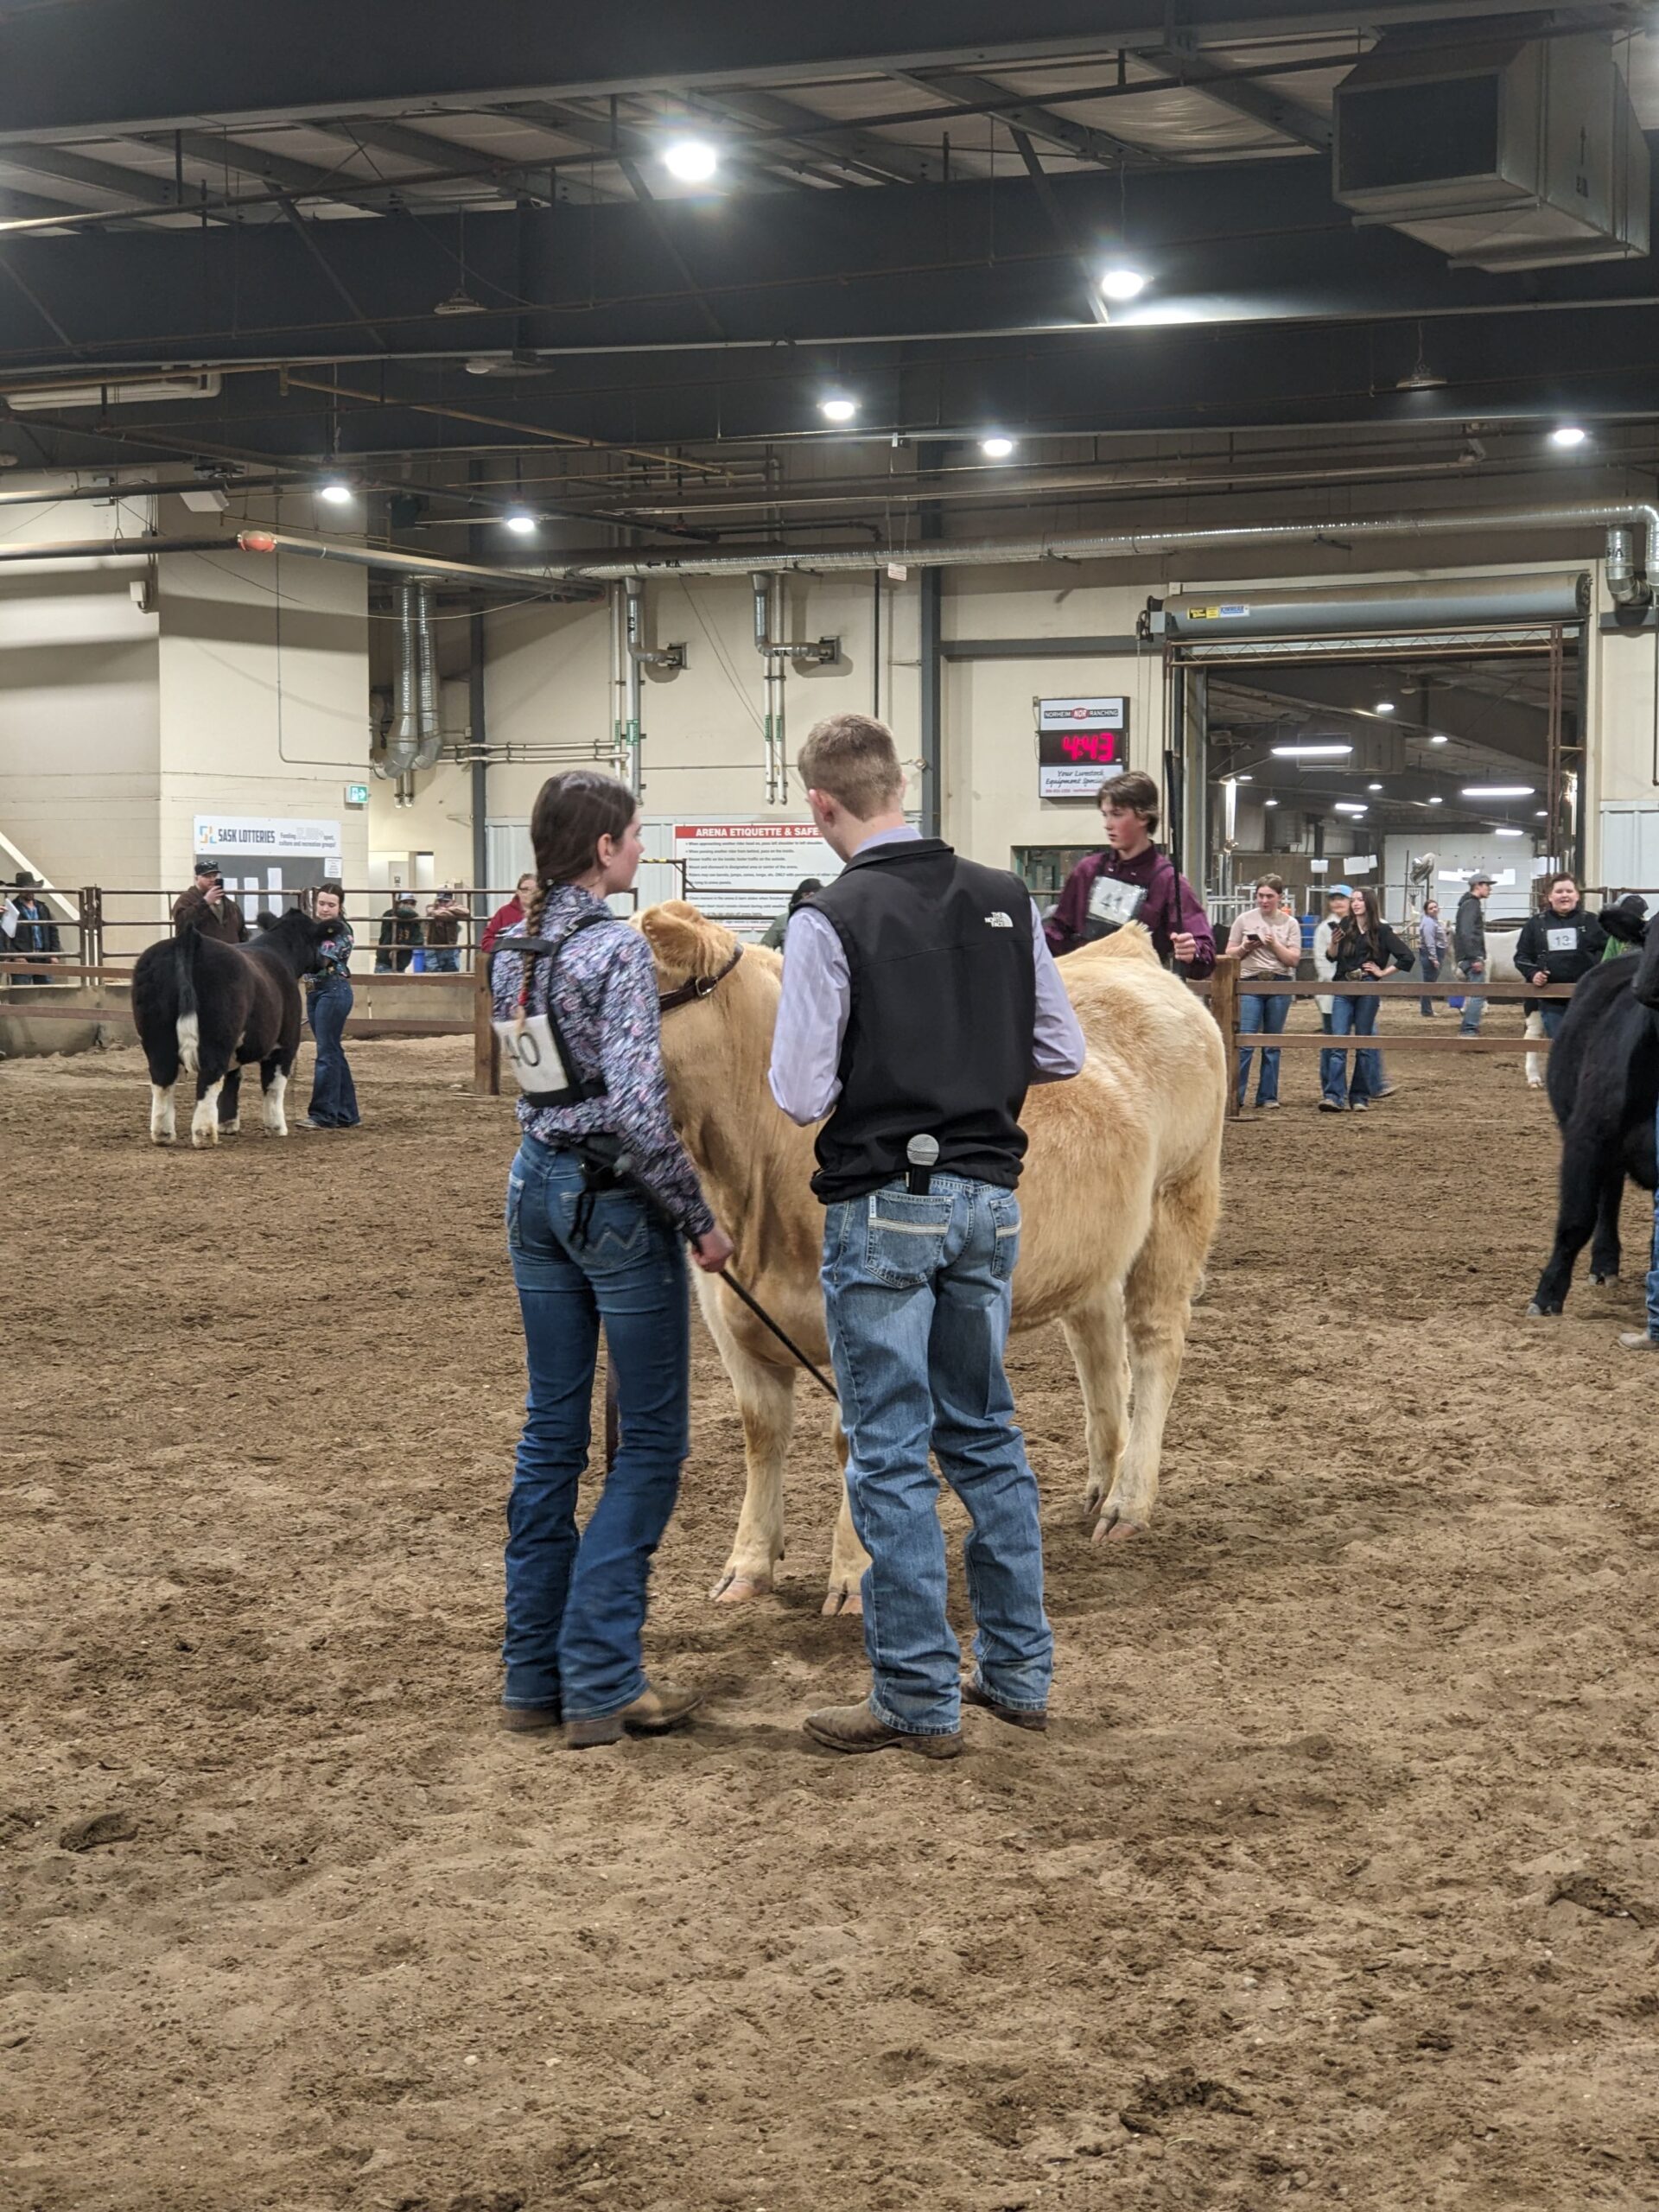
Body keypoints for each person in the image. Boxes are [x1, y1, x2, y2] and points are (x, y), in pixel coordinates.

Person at [768, 712, 1087, 1759]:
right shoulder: (1006, 897)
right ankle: (1019, 1672)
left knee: (891, 1453)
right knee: (986, 1435)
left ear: (823, 804)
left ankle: (914, 1693)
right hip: (991, 1197)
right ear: (899, 786)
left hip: (884, 1203)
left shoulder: (830, 916)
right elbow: (1060, 1048)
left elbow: (801, 1089)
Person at [491, 770, 732, 1750]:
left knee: (552, 1433)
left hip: (534, 1182)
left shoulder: (514, 942)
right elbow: (638, 1108)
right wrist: (698, 1217)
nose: (640, 851)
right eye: (633, 837)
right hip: (615, 1206)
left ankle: (532, 1675)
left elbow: (540, 1073)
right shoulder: (615, 951)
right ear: (602, 848)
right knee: (650, 1444)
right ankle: (602, 1677)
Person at [1043, 769, 1216, 977]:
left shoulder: (1168, 881)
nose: (1107, 825)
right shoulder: (1086, 871)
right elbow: (1057, 935)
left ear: (1143, 815)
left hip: (1137, 994)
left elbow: (1204, 955)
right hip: (1083, 987)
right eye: (1105, 815)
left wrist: (1192, 951)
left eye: (1117, 814)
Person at [1320, 885, 1414, 1114]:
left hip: (1367, 986)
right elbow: (1332, 957)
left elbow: (1406, 957)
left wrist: (1382, 973)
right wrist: (1334, 942)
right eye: (1353, 900)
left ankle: (1359, 1096)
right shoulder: (1345, 926)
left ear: (1369, 903)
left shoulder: (1381, 930)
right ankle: (1334, 1096)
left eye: (1359, 900)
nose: (1355, 903)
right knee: (1338, 1043)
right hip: (1343, 985)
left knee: (1363, 1045)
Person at [1224, 874, 1300, 1110]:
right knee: (1245, 1040)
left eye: (1269, 896)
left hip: (1279, 982)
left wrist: (1273, 944)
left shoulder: (1290, 924)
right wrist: (1245, 947)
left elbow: (1293, 959)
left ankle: (1268, 1095)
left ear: (1279, 897)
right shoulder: (1243, 920)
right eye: (1260, 896)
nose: (1264, 900)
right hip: (1250, 982)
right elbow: (1229, 953)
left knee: (1272, 1041)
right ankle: (1236, 1095)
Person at [297, 881, 359, 1131]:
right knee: (332, 1051)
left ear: (340, 907)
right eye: (322, 903)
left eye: (331, 905)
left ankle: (323, 1113)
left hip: (332, 990)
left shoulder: (341, 931)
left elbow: (321, 960)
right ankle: (346, 1113)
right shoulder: (316, 929)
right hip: (317, 992)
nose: (325, 909)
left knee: (327, 1052)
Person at [1313, 885, 1352, 1100]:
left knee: (1364, 1041)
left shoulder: (1358, 926)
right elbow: (1322, 963)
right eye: (1334, 899)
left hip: (1353, 991)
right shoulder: (1323, 929)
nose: (1338, 902)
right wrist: (1341, 982)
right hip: (1332, 992)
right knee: (1332, 1042)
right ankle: (1331, 1088)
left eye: (1342, 898)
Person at [1453, 870, 1492, 1036]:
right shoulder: (1472, 904)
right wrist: (1475, 956)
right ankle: (1469, 1030)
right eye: (1487, 886)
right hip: (1471, 957)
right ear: (1478, 886)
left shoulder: (1467, 904)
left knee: (1475, 993)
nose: (1490, 889)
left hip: (1466, 955)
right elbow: (1467, 932)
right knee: (1478, 994)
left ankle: (1469, 1027)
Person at [172, 861, 248, 944]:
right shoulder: (187, 898)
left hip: (229, 951)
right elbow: (181, 923)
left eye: (215, 876)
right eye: (207, 876)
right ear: (197, 878)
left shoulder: (229, 904)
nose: (212, 879)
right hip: (201, 952)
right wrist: (205, 902)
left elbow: (241, 931)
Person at [3, 873, 60, 983]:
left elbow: (53, 931)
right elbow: (5, 935)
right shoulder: (11, 909)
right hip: (23, 957)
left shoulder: (42, 908)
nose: (30, 892)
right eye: (26, 889)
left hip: (43, 956)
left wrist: (54, 954)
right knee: (22, 993)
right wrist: (15, 955)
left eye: (32, 889)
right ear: (19, 890)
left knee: (45, 992)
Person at [761, 875, 824, 951]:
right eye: (808, 895)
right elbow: (763, 950)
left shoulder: (829, 920)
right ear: (802, 896)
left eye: (818, 894)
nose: (814, 898)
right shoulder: (783, 921)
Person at [481, 872, 537, 956]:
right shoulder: (504, 912)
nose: (529, 894)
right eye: (525, 890)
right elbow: (486, 941)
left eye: (534, 890)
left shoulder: (546, 912)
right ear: (518, 892)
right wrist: (505, 948)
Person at [424, 887, 467, 973]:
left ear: (452, 901)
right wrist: (452, 915)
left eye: (446, 901)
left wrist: (447, 910)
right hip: (434, 948)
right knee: (433, 974)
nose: (442, 904)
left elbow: (466, 912)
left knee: (453, 975)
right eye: (440, 901)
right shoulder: (431, 907)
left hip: (450, 947)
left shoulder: (455, 907)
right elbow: (432, 912)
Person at [375, 894, 422, 973]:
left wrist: (400, 947)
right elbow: (402, 912)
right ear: (398, 903)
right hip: (385, 963)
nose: (409, 906)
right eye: (405, 902)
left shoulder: (414, 921)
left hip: (401, 965)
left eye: (412, 903)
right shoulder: (390, 914)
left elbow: (419, 940)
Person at [1417, 898, 1446, 1018]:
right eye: (1431, 908)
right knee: (1429, 983)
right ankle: (1426, 1010)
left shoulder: (1434, 921)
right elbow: (1430, 942)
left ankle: (1426, 1009)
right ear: (1426, 911)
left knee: (1429, 982)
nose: (1434, 909)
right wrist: (1434, 958)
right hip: (1432, 954)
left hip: (1434, 953)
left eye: (1435, 907)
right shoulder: (1429, 922)